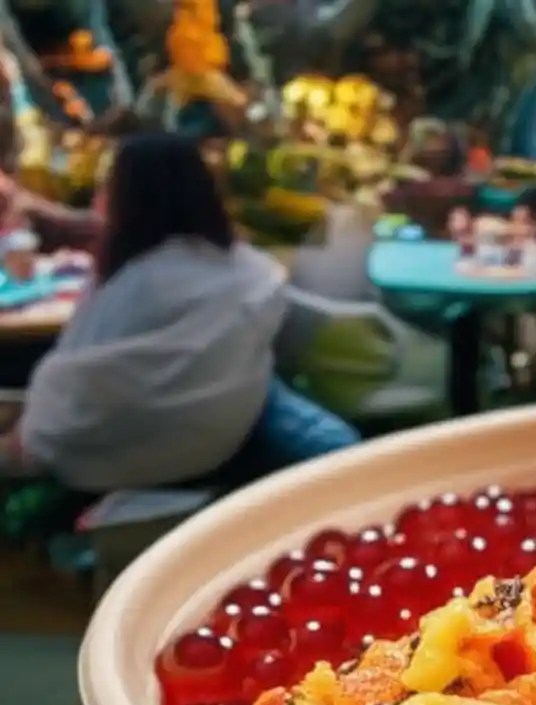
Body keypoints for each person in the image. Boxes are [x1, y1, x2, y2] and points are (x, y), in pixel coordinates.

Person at [0, 134, 354, 490]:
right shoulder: (251, 272)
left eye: (108, 188)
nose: (98, 199)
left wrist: (26, 435)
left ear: (126, 199)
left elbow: (74, 391)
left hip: (121, 466)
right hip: (220, 444)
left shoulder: (132, 281)